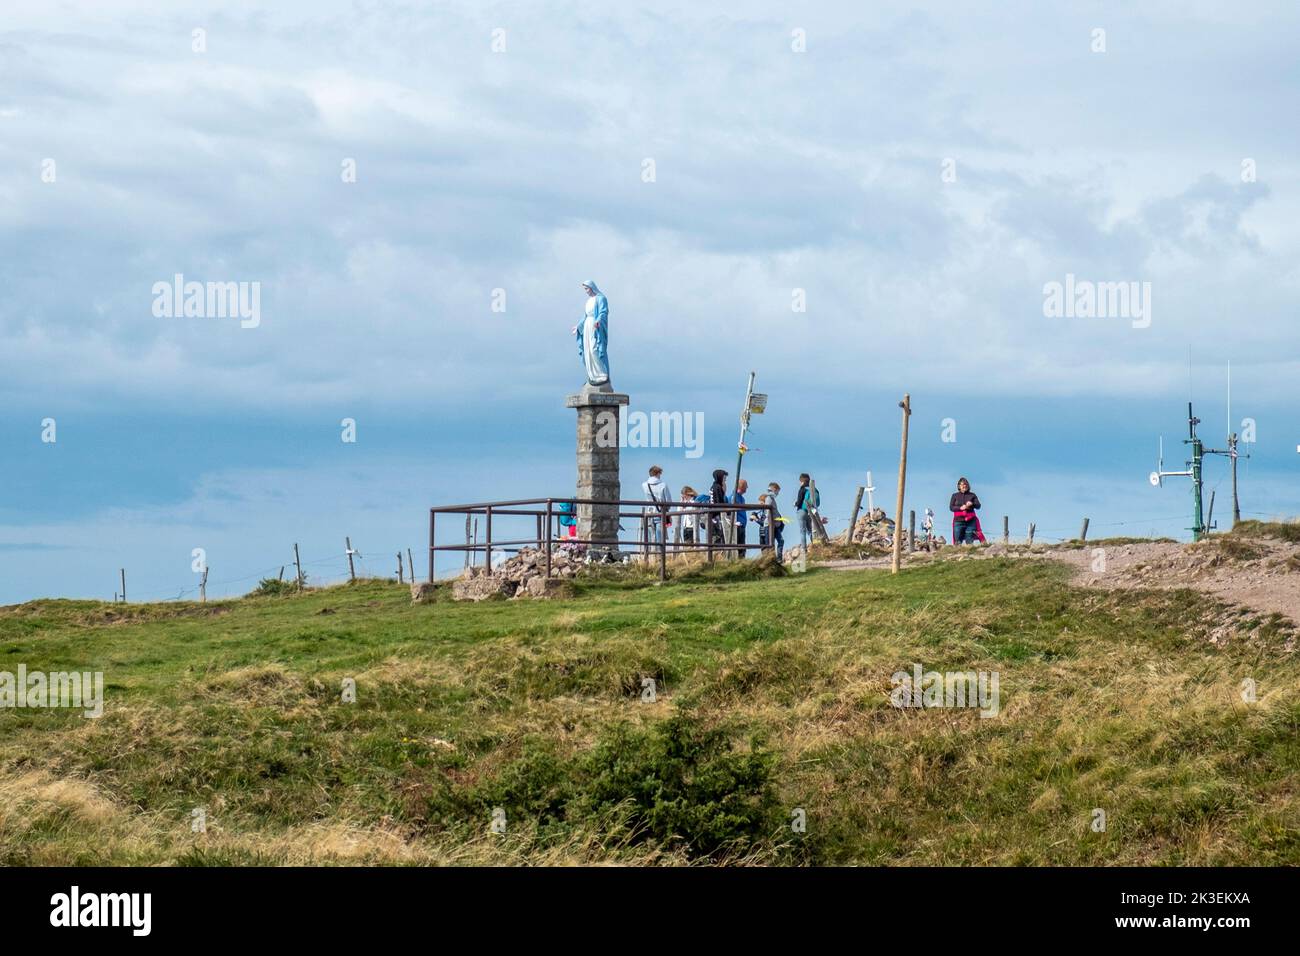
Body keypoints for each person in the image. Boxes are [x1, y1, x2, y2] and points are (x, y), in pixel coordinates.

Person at [571, 280, 610, 387]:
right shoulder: (588, 301)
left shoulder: (601, 298)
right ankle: (592, 376)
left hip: (595, 326)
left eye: (587, 288)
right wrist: (578, 327)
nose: (586, 291)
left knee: (594, 349)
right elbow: (585, 316)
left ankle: (602, 375)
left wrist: (598, 321)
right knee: (588, 350)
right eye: (585, 289)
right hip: (588, 326)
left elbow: (604, 312)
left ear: (592, 287)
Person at [641, 465, 672, 547]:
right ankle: (660, 556)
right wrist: (667, 508)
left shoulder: (644, 485)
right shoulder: (663, 485)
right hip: (660, 512)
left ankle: (648, 557)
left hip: (649, 512)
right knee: (660, 538)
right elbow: (669, 501)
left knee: (649, 537)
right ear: (658, 473)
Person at [949, 477, 985, 544]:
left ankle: (969, 553)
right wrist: (960, 508)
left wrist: (972, 504)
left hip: (971, 521)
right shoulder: (954, 495)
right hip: (958, 521)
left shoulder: (972, 495)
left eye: (966, 484)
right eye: (962, 484)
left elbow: (978, 506)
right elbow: (951, 507)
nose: (964, 486)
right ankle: (958, 554)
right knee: (957, 542)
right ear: (959, 486)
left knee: (969, 541)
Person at [794, 473, 818, 553]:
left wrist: (795, 503)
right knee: (810, 530)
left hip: (801, 511)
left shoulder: (802, 489)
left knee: (802, 531)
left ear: (801, 481)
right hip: (810, 512)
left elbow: (800, 500)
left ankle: (804, 549)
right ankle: (815, 546)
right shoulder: (812, 489)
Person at [710, 469, 728, 545]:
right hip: (716, 515)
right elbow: (719, 502)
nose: (725, 480)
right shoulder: (717, 487)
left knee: (717, 537)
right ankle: (717, 555)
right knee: (719, 538)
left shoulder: (714, 486)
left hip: (714, 515)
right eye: (724, 478)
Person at [767, 482, 785, 560]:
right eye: (777, 491)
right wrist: (772, 524)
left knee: (780, 541)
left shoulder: (772, 499)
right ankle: (773, 559)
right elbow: (768, 513)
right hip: (771, 525)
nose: (777, 493)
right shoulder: (769, 499)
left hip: (775, 525)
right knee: (772, 543)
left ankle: (779, 559)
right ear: (773, 489)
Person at [730, 478, 749, 552]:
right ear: (742, 486)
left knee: (742, 548)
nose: (747, 488)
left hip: (742, 526)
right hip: (737, 525)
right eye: (746, 486)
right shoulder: (733, 497)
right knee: (737, 547)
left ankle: (742, 562)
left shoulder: (742, 498)